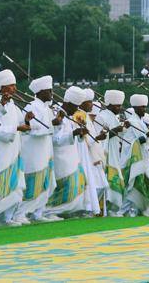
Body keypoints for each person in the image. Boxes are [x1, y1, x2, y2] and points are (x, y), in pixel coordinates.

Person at [46, 87, 95, 218]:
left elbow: (77, 138)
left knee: (78, 183)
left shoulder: (70, 116)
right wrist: (73, 133)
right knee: (65, 187)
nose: (77, 109)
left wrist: (80, 132)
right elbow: (55, 139)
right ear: (67, 103)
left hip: (72, 156)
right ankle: (52, 211)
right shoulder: (56, 113)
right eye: (75, 106)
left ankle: (68, 211)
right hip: (60, 157)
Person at [0, 69, 27, 226]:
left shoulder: (14, 106)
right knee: (0, 187)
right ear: (3, 87)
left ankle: (7, 217)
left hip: (14, 152)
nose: (15, 89)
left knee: (16, 187)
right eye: (12, 85)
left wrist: (26, 122)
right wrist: (16, 130)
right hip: (1, 151)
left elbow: (19, 125)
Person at [20, 76, 59, 223]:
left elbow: (49, 127)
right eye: (49, 91)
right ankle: (21, 213)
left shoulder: (46, 108)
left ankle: (38, 212)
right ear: (41, 92)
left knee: (48, 183)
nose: (51, 93)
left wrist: (54, 123)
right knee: (33, 184)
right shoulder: (31, 106)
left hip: (46, 150)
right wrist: (49, 127)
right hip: (34, 151)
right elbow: (29, 129)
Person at [94, 90, 130, 215]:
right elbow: (98, 137)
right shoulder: (101, 116)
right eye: (117, 106)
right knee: (105, 184)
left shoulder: (113, 116)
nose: (119, 108)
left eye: (120, 105)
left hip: (114, 154)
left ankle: (111, 210)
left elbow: (118, 134)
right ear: (109, 104)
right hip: (105, 154)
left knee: (116, 183)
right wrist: (115, 130)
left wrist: (124, 128)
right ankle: (100, 210)